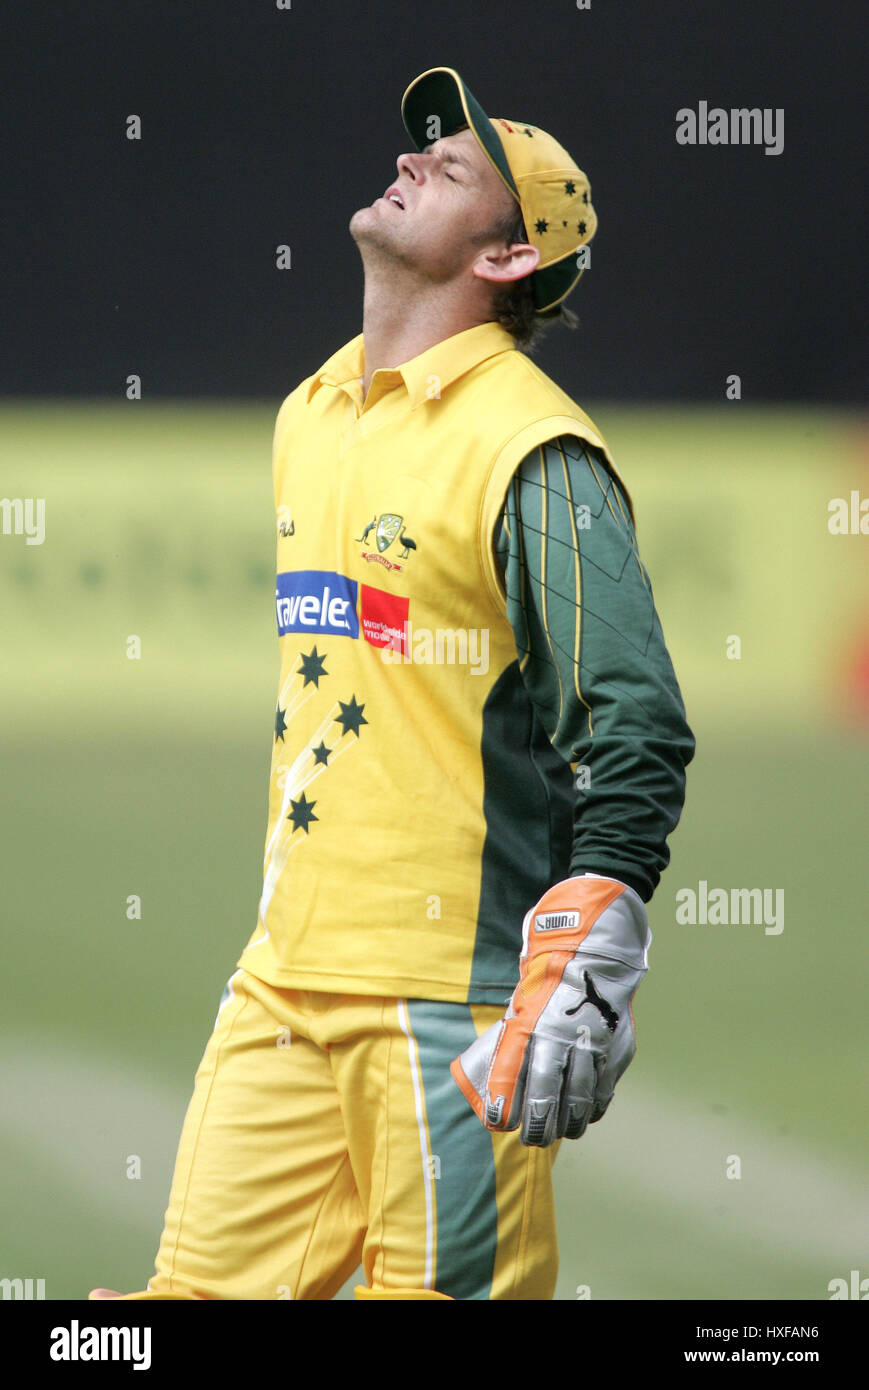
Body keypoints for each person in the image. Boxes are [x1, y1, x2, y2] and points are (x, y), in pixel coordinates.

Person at [89, 64, 694, 1302]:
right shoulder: (311, 410)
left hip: (449, 1002)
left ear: (508, 260)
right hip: (280, 978)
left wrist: (597, 924)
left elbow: (632, 716)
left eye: (453, 166)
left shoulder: (533, 448)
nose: (413, 159)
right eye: (420, 148)